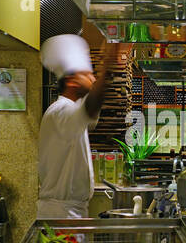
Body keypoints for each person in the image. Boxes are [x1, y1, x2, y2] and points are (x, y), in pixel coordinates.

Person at [36, 36, 126, 219]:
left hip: (71, 212)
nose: (92, 79)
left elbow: (91, 111)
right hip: (60, 215)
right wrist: (107, 66)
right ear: (72, 81)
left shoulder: (72, 113)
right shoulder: (60, 111)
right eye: (87, 74)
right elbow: (90, 106)